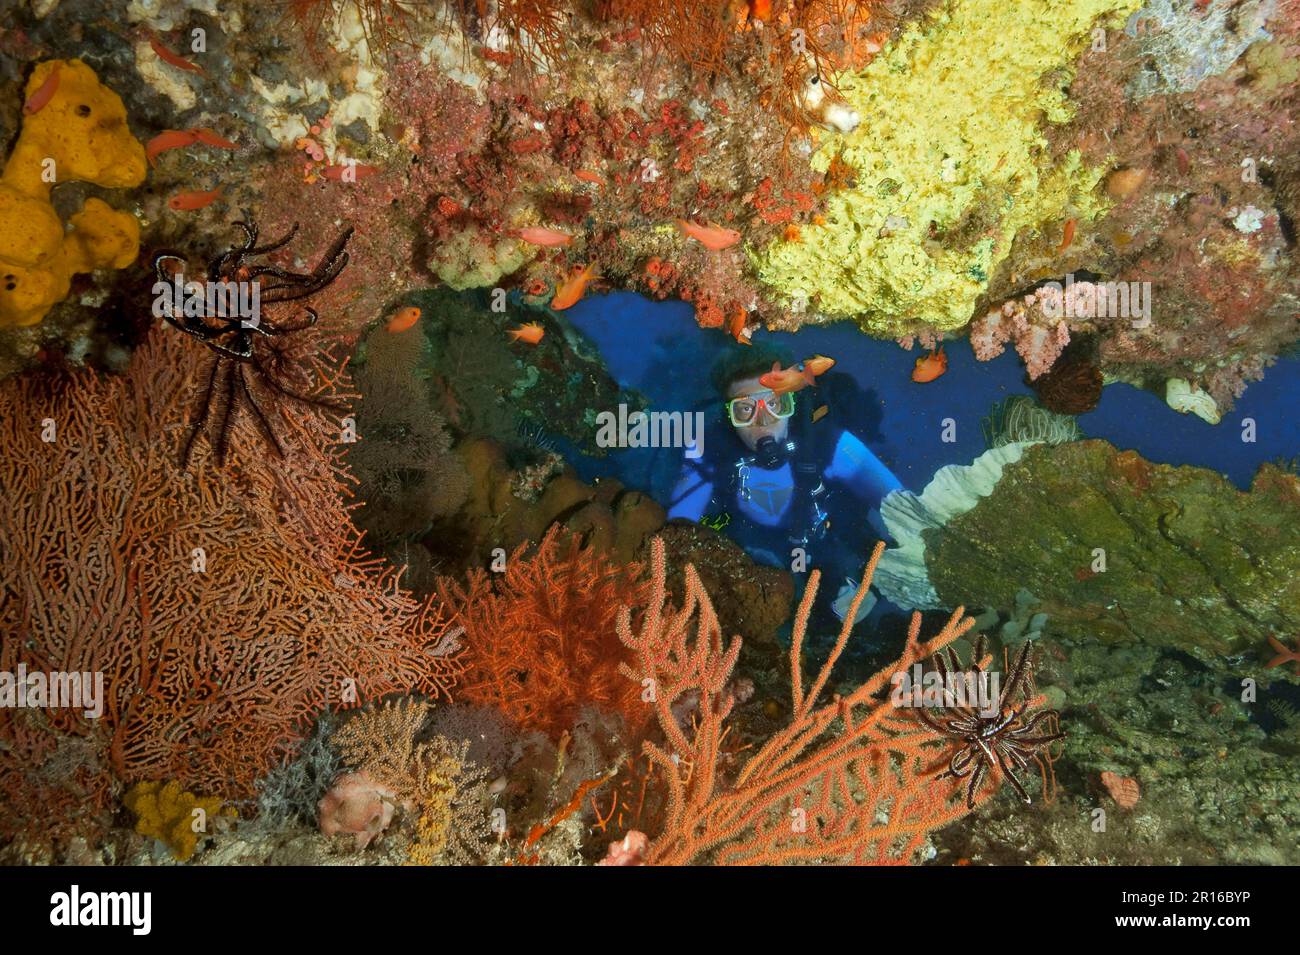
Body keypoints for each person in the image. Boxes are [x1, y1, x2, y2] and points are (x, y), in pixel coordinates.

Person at [666, 344, 902, 634]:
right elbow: (678, 530)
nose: (763, 421)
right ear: (729, 416)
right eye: (745, 409)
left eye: (775, 404)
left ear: (792, 404)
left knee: (848, 602)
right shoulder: (707, 450)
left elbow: (905, 510)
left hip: (822, 529)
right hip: (750, 537)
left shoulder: (830, 443)